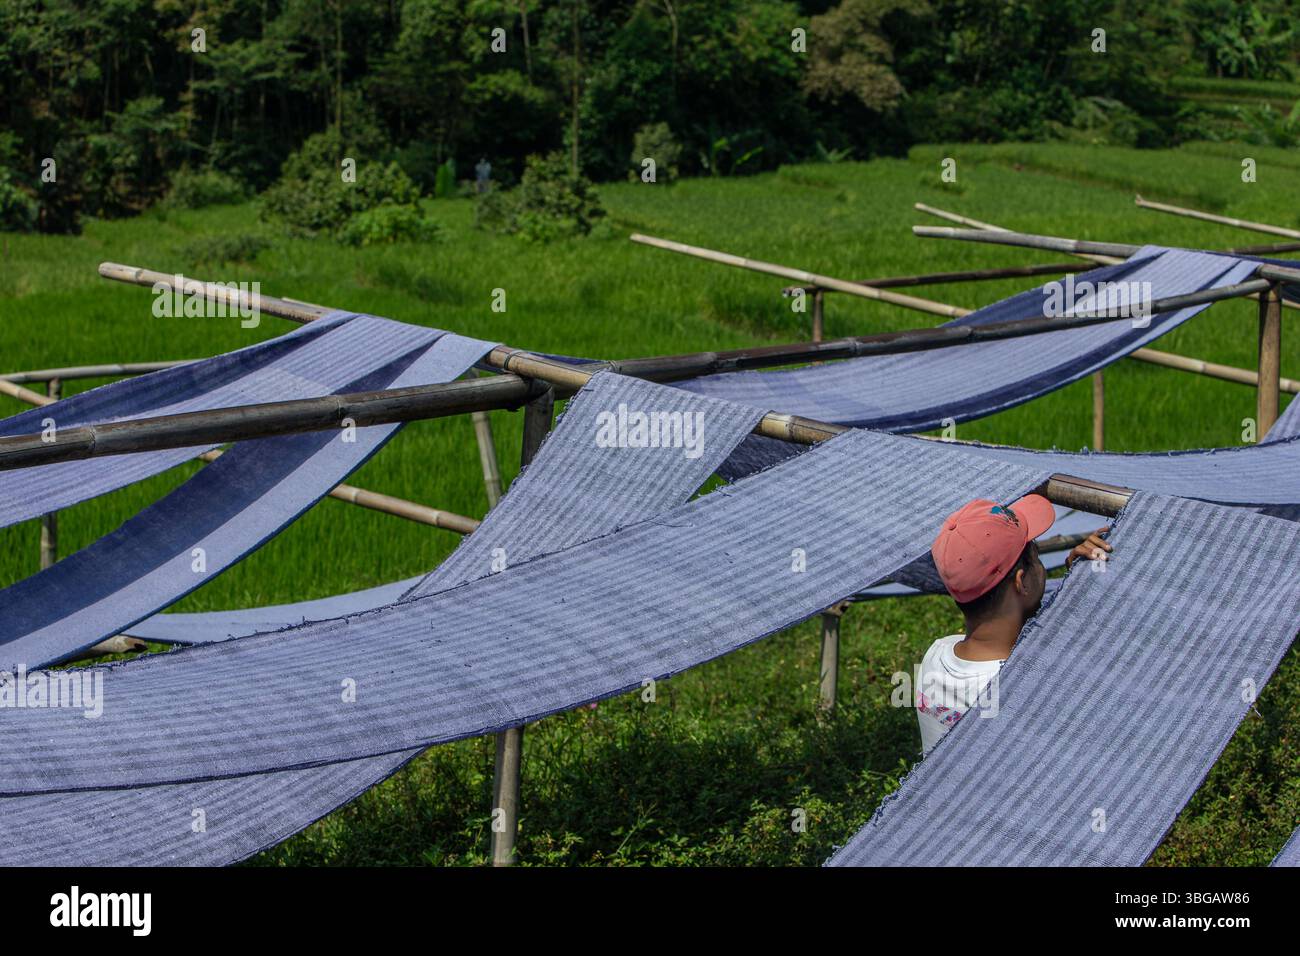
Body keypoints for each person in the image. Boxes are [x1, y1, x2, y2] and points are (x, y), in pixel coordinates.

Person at [915, 494, 1112, 752]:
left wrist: (1075, 581)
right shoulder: (1026, 690)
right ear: (1022, 582)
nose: (1042, 569)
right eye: (1037, 557)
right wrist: (1092, 580)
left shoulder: (935, 655)